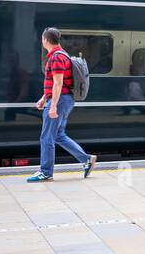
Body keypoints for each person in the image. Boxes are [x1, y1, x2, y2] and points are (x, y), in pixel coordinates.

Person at [27, 27, 96, 182]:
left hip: (60, 100)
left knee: (46, 138)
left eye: (42, 39)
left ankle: (45, 172)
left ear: (45, 40)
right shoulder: (61, 55)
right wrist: (44, 98)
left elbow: (58, 84)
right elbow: (54, 82)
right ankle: (86, 159)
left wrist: (52, 106)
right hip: (63, 99)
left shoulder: (57, 58)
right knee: (58, 135)